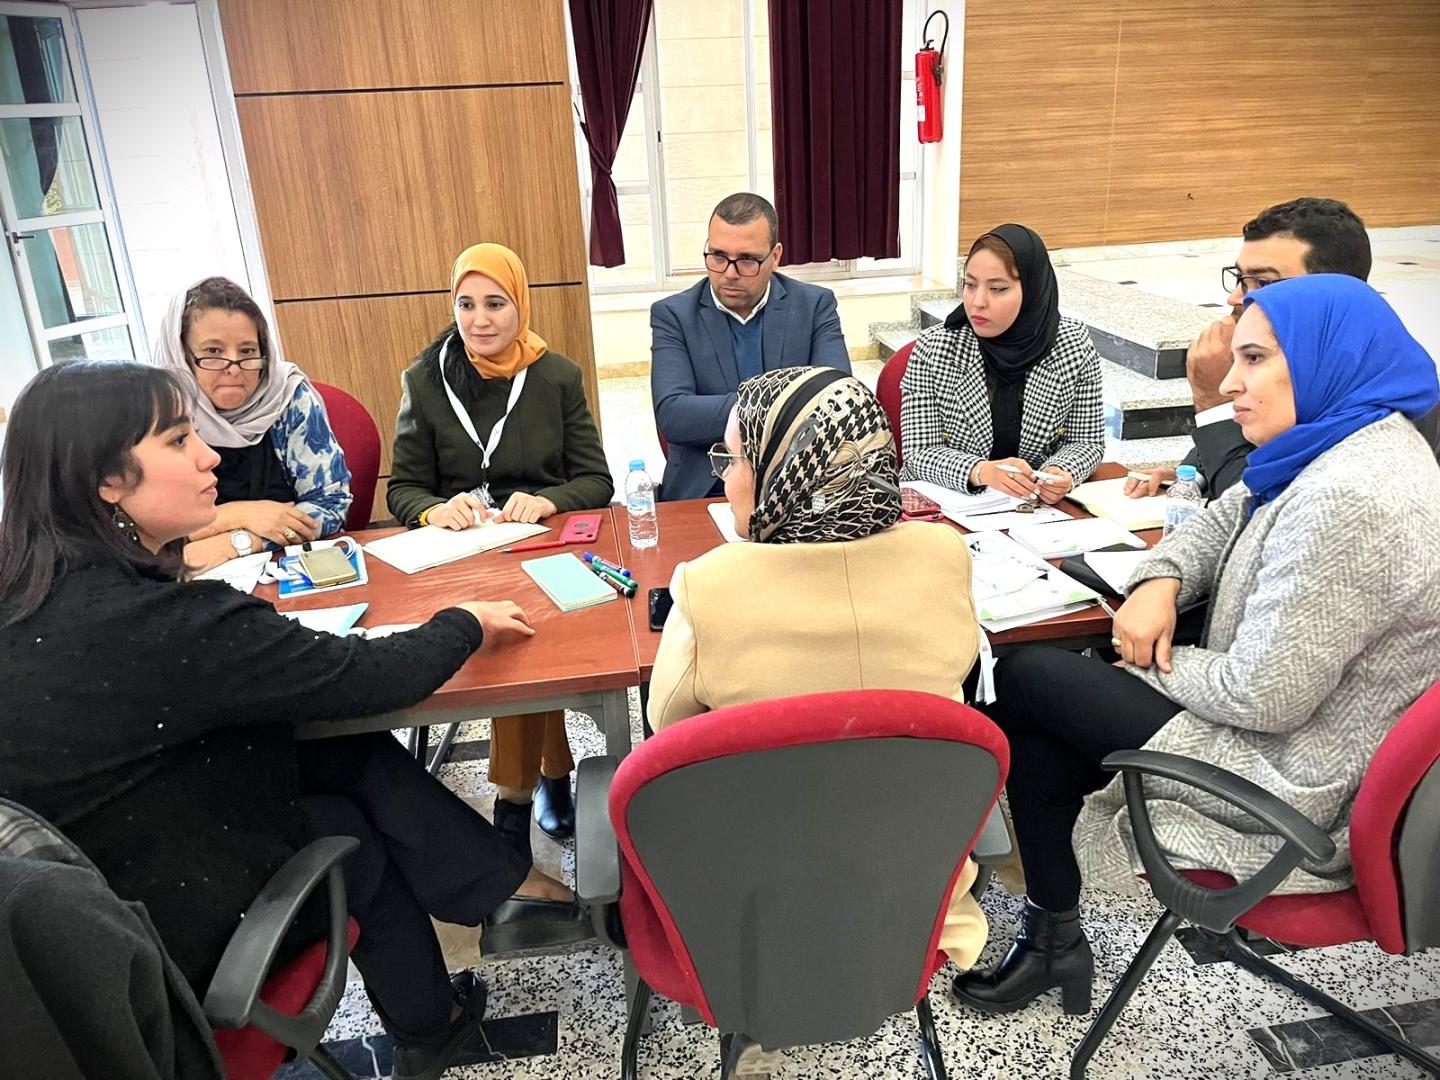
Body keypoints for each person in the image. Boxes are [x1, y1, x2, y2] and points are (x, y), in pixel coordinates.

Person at [0, 361, 590, 1080]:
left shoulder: (27, 594)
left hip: (65, 931)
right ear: (108, 481)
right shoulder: (167, 625)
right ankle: (441, 1019)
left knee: (342, 755)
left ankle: (504, 883)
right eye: (180, 439)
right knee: (347, 832)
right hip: (155, 943)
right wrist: (462, 621)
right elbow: (371, 676)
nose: (209, 455)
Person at [952, 275, 1440, 1018]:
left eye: (1254, 361)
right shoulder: (1340, 436)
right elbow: (1221, 516)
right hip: (1275, 731)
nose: (1228, 383)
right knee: (1041, 729)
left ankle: (1046, 933)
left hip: (1286, 777)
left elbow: (1264, 696)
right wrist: (1161, 581)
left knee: (1022, 676)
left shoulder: (1355, 497)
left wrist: (1140, 656)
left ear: (1323, 357)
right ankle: (1053, 938)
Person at [649, 365, 988, 970]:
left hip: (753, 908)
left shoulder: (710, 584)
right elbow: (955, 675)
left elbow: (667, 731)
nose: (724, 482)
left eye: (732, 461)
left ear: (784, 470)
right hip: (916, 905)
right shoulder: (943, 555)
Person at [387, 243, 613, 847]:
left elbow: (597, 480)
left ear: (522, 307)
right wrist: (435, 508)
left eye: (495, 303)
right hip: (459, 557)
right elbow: (403, 489)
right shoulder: (424, 379)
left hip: (541, 548)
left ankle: (515, 804)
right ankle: (544, 782)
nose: (479, 319)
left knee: (528, 636)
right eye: (466, 304)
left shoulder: (556, 376)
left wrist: (549, 500)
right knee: (516, 642)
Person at [1126, 197, 1440, 500]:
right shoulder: (1295, 359)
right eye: (1239, 278)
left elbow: (1266, 506)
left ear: (1330, 290)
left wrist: (1213, 405)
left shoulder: (1382, 400)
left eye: (1262, 282)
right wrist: (1195, 475)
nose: (1236, 298)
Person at [651, 192, 851, 501]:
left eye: (746, 260)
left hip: (798, 489)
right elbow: (675, 416)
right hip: (705, 490)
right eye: (717, 256)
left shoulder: (814, 306)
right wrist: (784, 407)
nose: (729, 273)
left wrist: (735, 411)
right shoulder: (674, 315)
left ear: (776, 256)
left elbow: (838, 402)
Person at [150, 276, 353, 572]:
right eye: (213, 352)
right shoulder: (157, 412)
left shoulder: (288, 395)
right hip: (187, 577)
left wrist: (237, 542)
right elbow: (139, 531)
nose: (233, 368)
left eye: (247, 351)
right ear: (182, 355)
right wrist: (234, 515)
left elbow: (331, 503)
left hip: (289, 568)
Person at [900, 224, 1103, 504]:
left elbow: (1086, 441)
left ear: (1033, 290)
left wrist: (1060, 472)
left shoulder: (1071, 344)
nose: (977, 302)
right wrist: (980, 471)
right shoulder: (936, 348)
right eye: (970, 285)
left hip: (1035, 508)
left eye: (997, 288)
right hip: (945, 506)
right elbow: (919, 451)